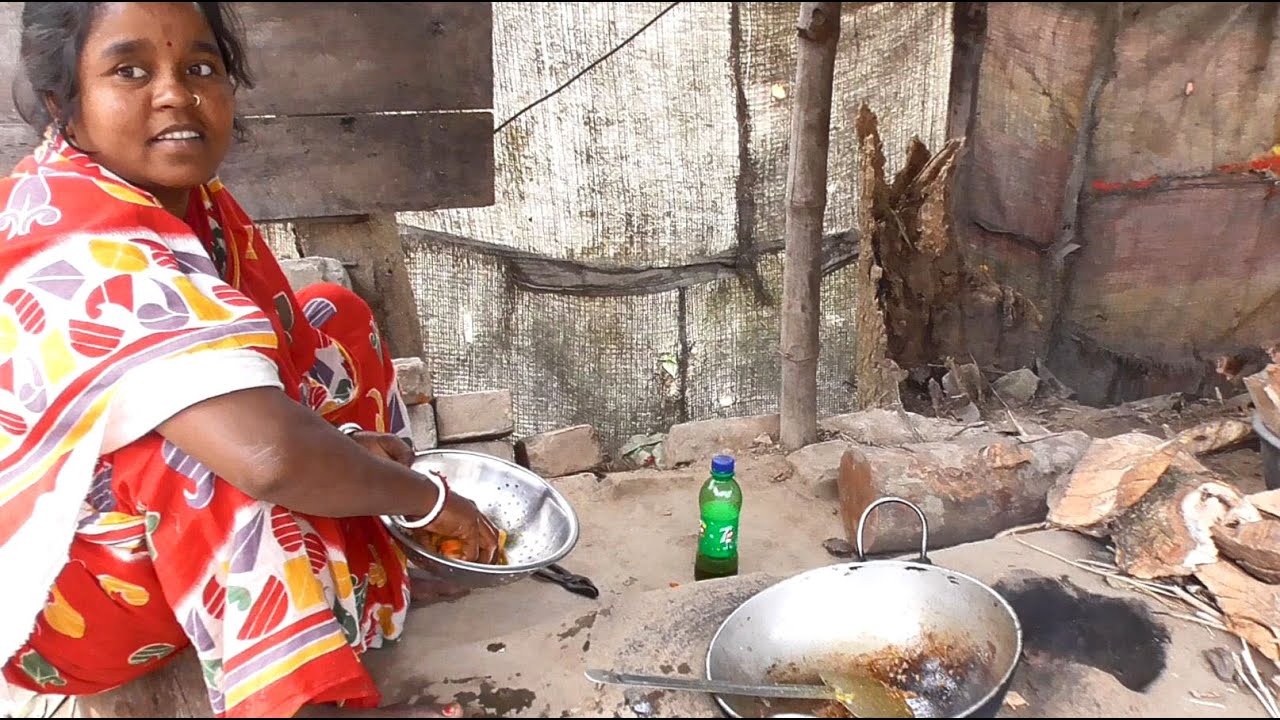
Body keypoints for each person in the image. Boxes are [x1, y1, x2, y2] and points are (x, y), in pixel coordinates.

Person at [0, 2, 501, 717]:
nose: (176, 94)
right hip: (63, 602)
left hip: (130, 537)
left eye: (200, 67)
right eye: (130, 70)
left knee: (333, 317)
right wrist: (429, 501)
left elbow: (273, 368)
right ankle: (300, 702)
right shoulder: (78, 244)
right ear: (63, 103)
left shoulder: (190, 203)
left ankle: (373, 570)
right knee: (213, 458)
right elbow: (267, 456)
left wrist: (348, 449)